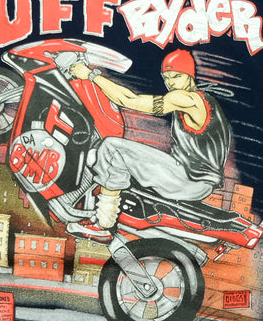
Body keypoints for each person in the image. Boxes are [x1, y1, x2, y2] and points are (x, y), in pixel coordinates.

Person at [67, 48, 233, 239]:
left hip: (189, 180)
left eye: (177, 76)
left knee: (112, 148)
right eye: (167, 78)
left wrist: (91, 75)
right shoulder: (208, 103)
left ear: (190, 76)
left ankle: (103, 225)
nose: (171, 83)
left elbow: (129, 100)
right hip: (194, 179)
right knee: (122, 156)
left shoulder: (188, 99)